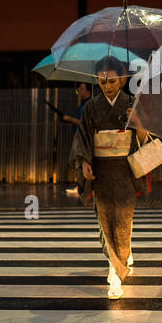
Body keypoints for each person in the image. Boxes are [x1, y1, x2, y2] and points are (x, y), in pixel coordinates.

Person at [70, 57, 148, 299]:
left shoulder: (132, 103)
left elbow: (144, 139)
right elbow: (82, 137)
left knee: (123, 222)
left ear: (123, 78)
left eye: (112, 81)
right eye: (102, 82)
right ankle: (116, 268)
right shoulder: (92, 107)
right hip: (101, 170)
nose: (108, 86)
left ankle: (117, 267)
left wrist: (136, 122)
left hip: (124, 169)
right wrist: (84, 162)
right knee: (105, 220)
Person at [63, 83, 92, 195]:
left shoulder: (89, 104)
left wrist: (70, 119)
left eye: (82, 88)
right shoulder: (83, 104)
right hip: (81, 136)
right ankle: (82, 186)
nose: (79, 90)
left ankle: (82, 187)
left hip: (86, 138)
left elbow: (85, 123)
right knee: (80, 161)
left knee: (82, 160)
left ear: (88, 90)